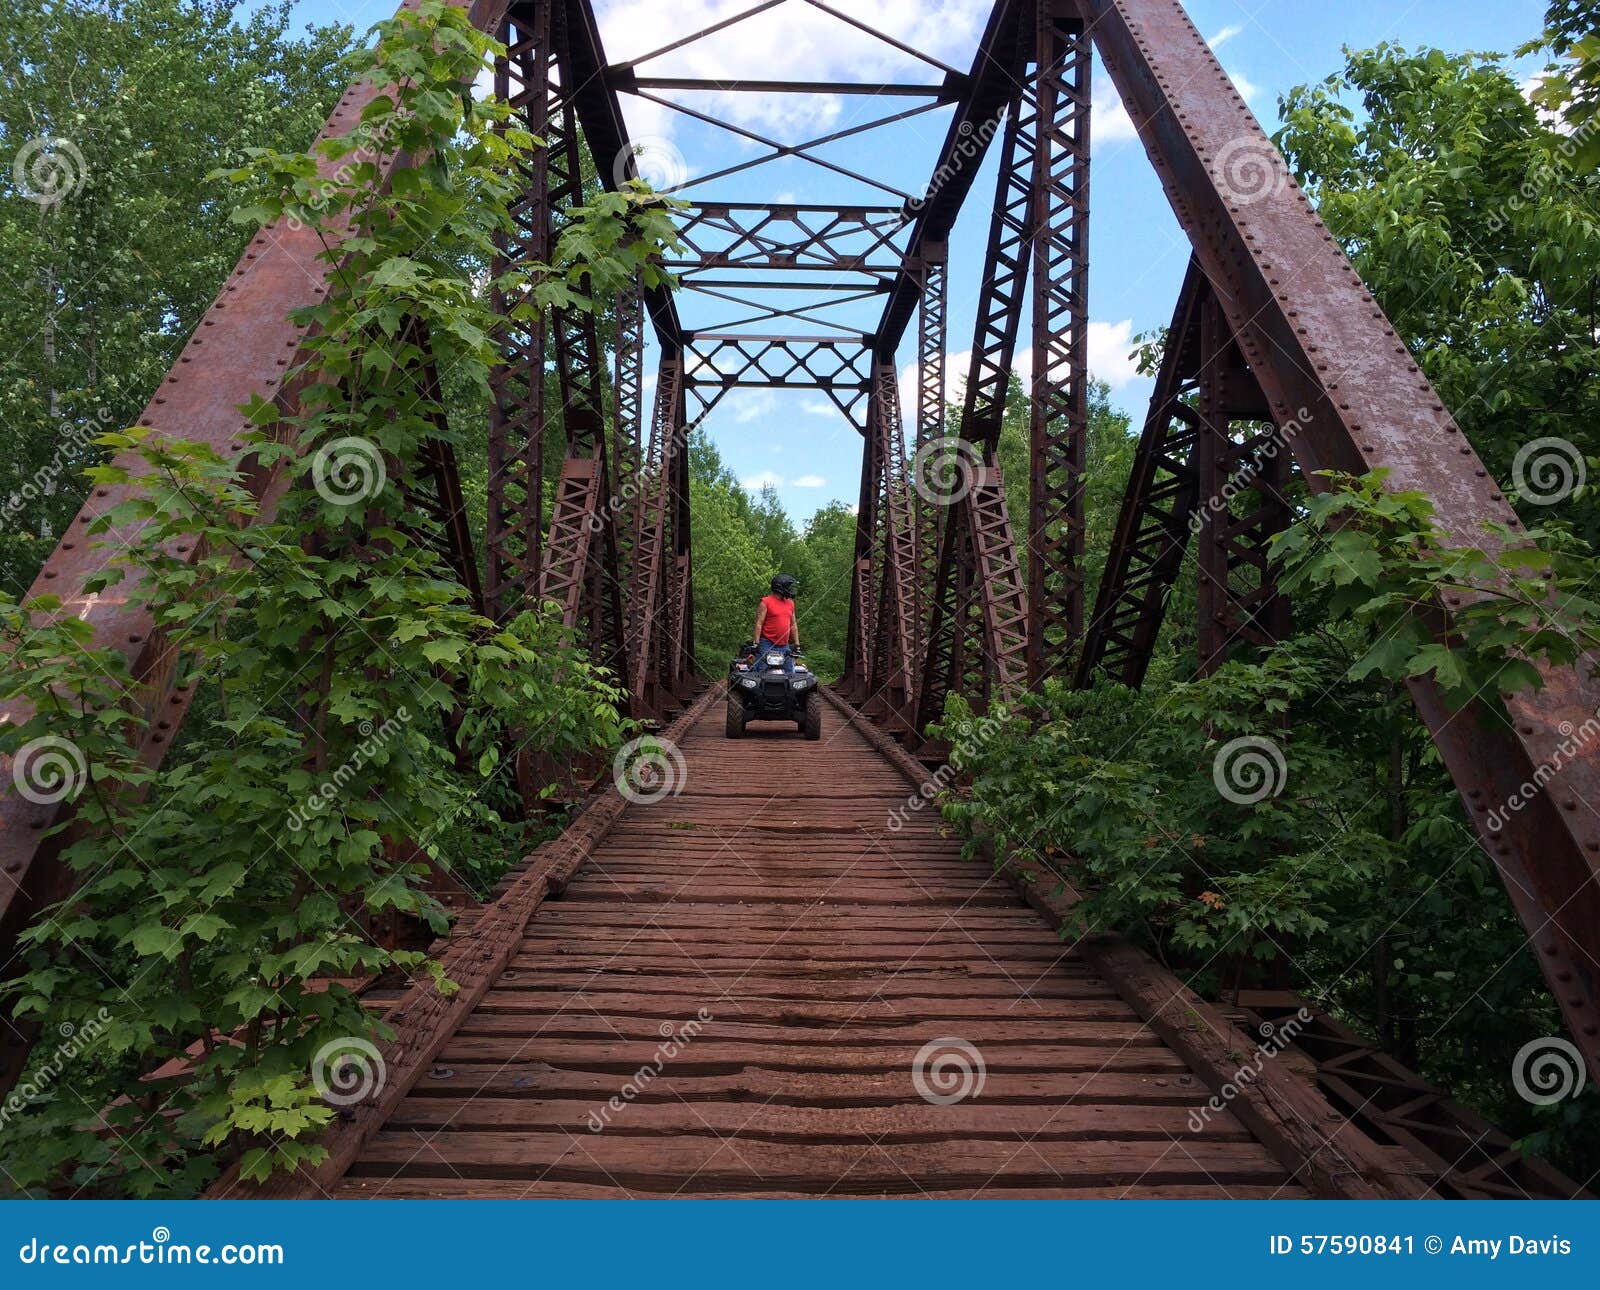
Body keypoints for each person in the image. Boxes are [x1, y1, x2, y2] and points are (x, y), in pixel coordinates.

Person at [751, 574, 800, 674]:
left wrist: (797, 644)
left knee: (790, 673)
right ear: (781, 587)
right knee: (761, 672)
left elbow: (793, 625)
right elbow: (759, 623)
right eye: (789, 587)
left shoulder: (790, 603)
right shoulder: (765, 602)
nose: (791, 590)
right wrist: (756, 643)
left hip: (784, 645)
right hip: (767, 643)